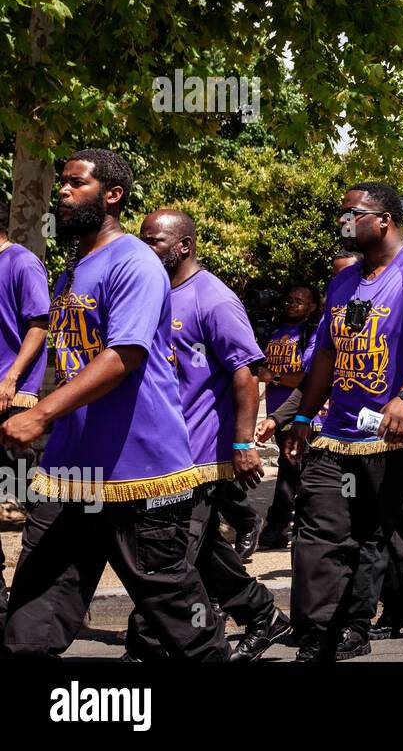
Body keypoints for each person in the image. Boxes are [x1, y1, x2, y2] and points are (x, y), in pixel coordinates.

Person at [0, 150, 227, 660]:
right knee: (33, 613)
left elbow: (122, 356)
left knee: (172, 606)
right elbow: (71, 358)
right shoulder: (71, 271)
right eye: (60, 182)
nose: (62, 191)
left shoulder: (135, 262)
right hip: (71, 470)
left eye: (76, 183)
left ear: (112, 195)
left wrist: (39, 413)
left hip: (139, 468)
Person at [283, 182, 403, 662]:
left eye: (351, 214)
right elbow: (326, 353)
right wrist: (303, 415)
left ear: (383, 219)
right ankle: (319, 636)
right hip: (340, 434)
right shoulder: (342, 282)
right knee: (320, 537)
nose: (342, 222)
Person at [128, 209, 290, 661]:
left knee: (170, 555)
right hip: (162, 451)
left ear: (184, 245)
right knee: (201, 552)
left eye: (155, 240)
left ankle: (145, 645)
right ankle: (264, 616)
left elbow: (245, 374)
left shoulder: (213, 298)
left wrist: (242, 445)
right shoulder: (155, 292)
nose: (145, 247)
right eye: (142, 238)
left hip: (200, 455)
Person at [0, 201, 49, 640]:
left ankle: (45, 595)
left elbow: (39, 323)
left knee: (30, 492)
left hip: (15, 398)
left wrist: (13, 378)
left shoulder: (21, 262)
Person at [256, 284, 321, 549]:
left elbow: (306, 379)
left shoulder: (311, 334)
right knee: (288, 473)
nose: (292, 305)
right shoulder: (276, 331)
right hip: (278, 416)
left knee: (297, 474)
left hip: (303, 417)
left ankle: (289, 529)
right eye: (290, 300)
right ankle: (280, 528)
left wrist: (276, 377)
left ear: (312, 307)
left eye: (299, 301)